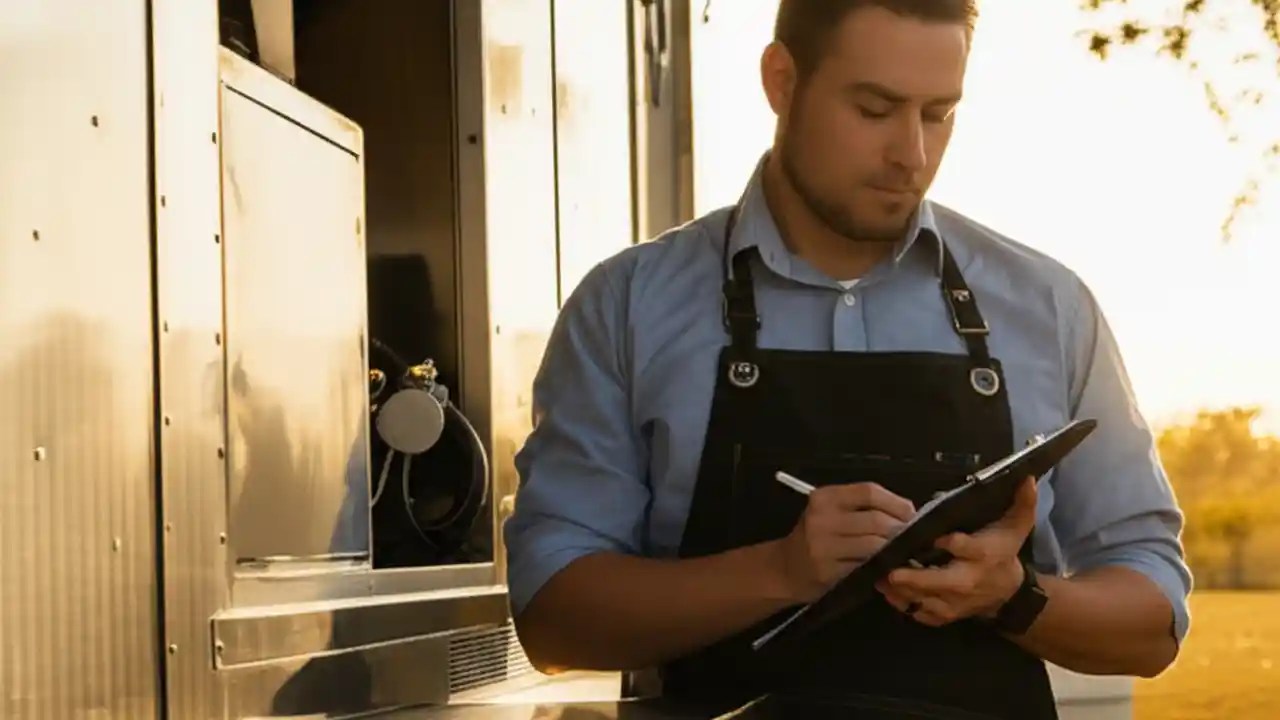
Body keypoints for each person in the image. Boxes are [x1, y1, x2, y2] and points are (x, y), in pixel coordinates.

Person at [503, 1, 1193, 717]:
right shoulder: (629, 305)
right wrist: (779, 570)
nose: (912, 155)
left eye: (938, 115)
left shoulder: (1049, 308)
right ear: (780, 80)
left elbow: (1153, 621)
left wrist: (1013, 597)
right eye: (874, 109)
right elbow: (553, 617)